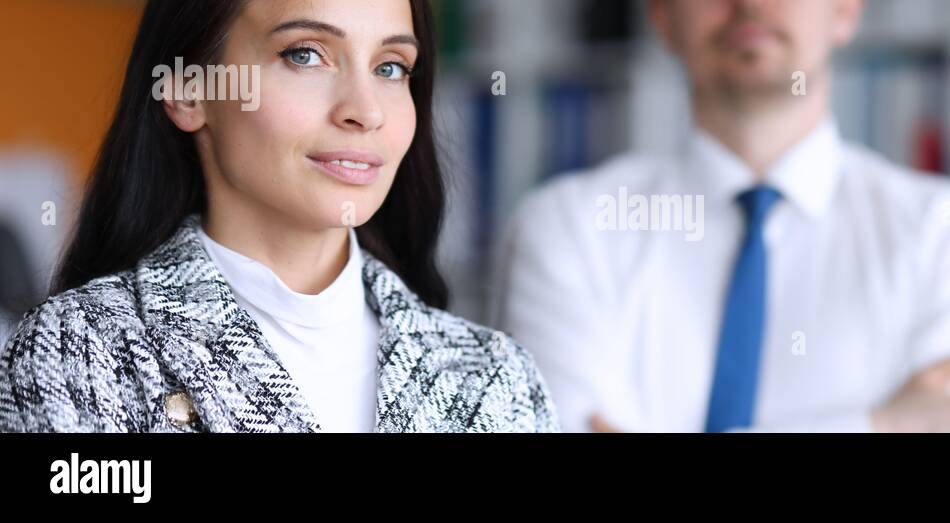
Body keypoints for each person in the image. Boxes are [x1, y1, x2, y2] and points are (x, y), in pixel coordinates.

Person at [0, 0, 557, 433]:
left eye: (391, 67)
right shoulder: (79, 352)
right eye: (305, 54)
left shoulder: (497, 377)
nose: (365, 111)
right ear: (188, 91)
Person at [493, 0, 950, 433]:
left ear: (846, 9)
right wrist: (882, 425)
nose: (748, 5)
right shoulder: (566, 228)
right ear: (662, 15)